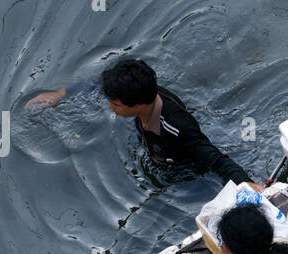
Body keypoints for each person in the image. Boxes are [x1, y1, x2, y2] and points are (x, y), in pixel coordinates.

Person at [25, 57, 254, 184]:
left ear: (136, 105)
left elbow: (220, 162)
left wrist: (247, 188)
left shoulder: (177, 128)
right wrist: (59, 95)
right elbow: (98, 82)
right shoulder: (142, 90)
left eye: (115, 104)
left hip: (189, 174)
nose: (109, 107)